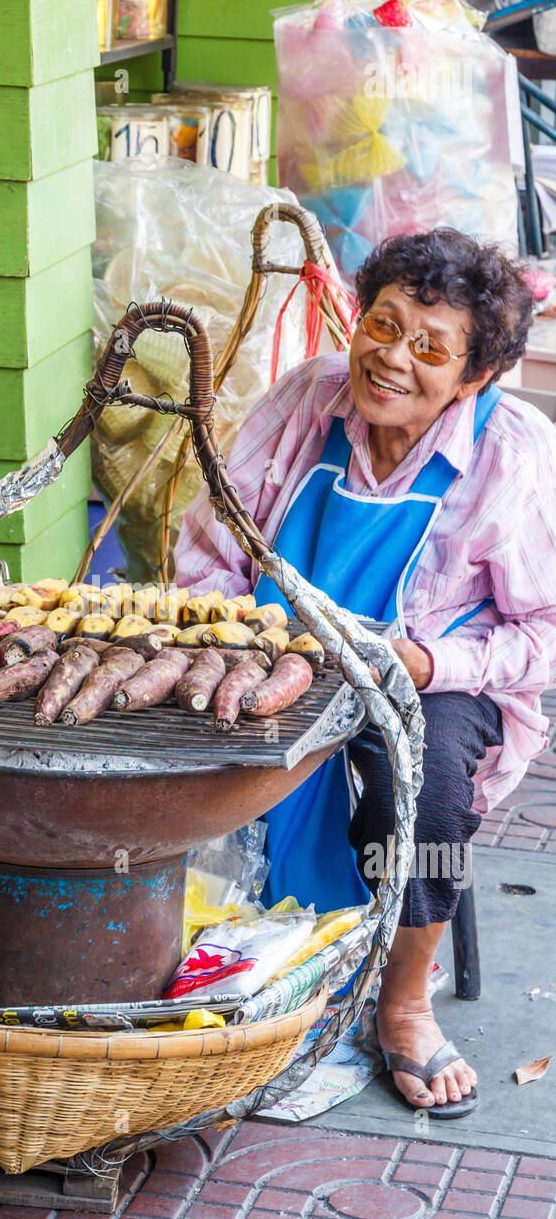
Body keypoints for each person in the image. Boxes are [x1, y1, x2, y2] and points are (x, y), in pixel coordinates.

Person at [175, 228, 556, 1117]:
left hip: (438, 672)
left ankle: (403, 1001)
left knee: (416, 794)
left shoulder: (515, 454)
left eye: (430, 347)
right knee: (172, 739)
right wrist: (231, 639)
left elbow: (544, 629)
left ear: (474, 376)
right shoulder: (306, 401)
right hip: (277, 654)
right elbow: (209, 547)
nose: (392, 359)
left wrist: (428, 662)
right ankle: (220, 950)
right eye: (383, 325)